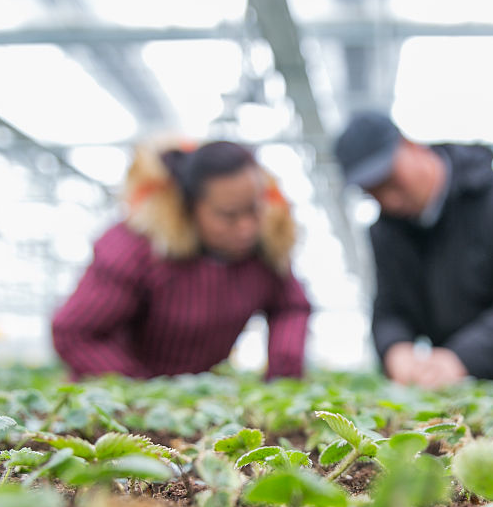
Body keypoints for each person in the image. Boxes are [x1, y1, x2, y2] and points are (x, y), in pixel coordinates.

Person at [334, 111, 493, 387]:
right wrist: (396, 349)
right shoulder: (386, 232)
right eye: (373, 190)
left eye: (390, 179)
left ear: (411, 146)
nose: (389, 199)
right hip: (456, 395)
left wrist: (463, 358)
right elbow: (390, 309)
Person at [52, 139, 310, 380]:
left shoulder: (264, 251)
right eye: (228, 215)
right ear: (190, 207)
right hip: (126, 396)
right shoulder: (137, 249)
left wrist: (282, 374)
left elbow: (291, 306)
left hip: (199, 394)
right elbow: (76, 332)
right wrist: (139, 394)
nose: (247, 228)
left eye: (253, 209)